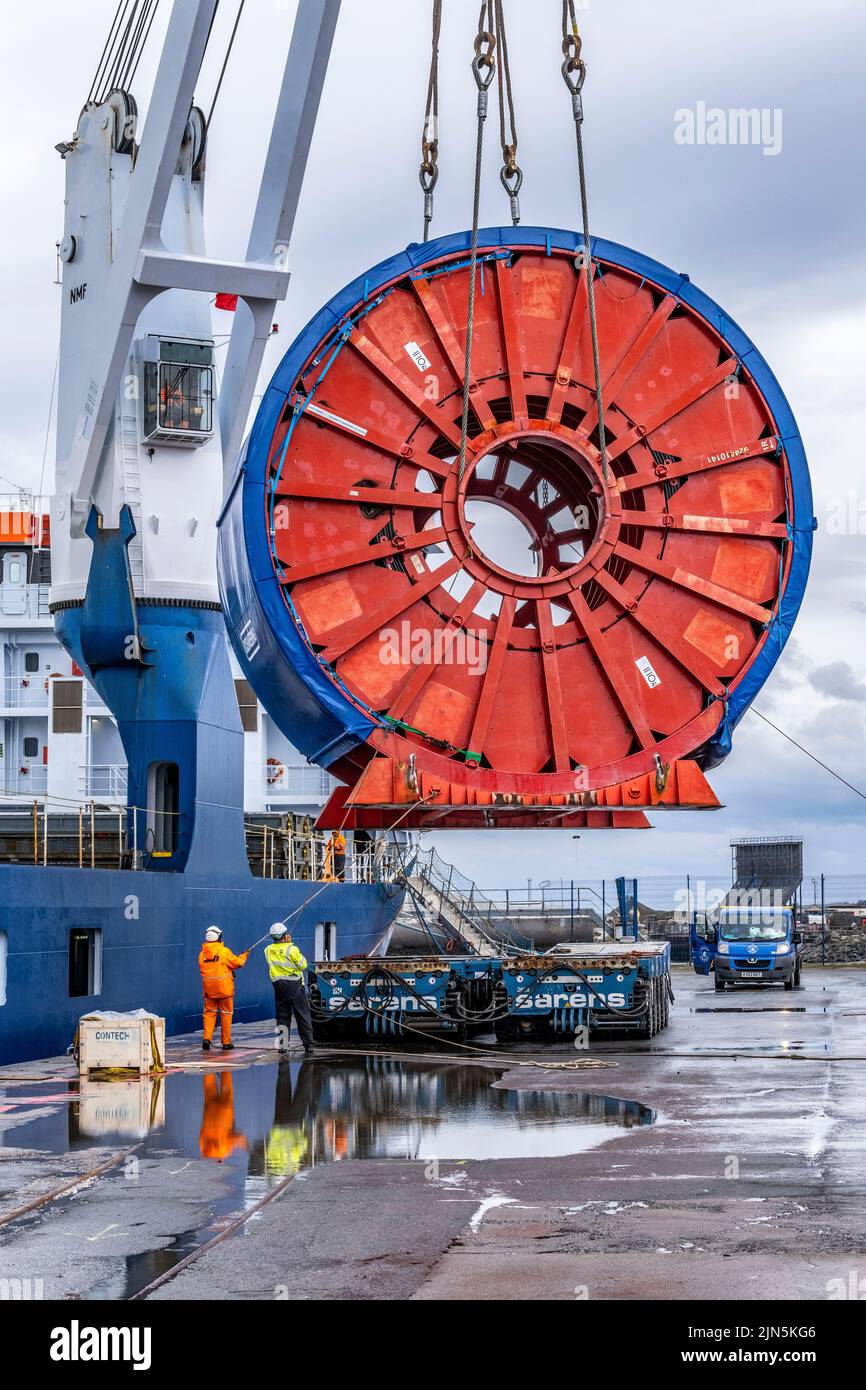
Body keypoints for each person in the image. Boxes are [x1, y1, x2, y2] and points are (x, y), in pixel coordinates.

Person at [264, 922, 314, 1054]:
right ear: (285, 935)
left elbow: (276, 952)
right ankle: (308, 1045)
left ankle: (283, 1045)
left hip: (279, 988)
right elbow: (303, 965)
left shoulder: (268, 950)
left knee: (282, 1017)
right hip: (295, 986)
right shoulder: (292, 949)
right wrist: (289, 944)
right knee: (302, 1016)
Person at [198, 925, 248, 1051]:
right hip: (224, 990)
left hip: (209, 990)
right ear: (219, 937)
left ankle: (207, 1039)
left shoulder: (201, 955)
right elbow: (238, 963)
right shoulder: (224, 952)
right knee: (226, 1015)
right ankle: (226, 1043)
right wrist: (244, 955)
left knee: (209, 1014)